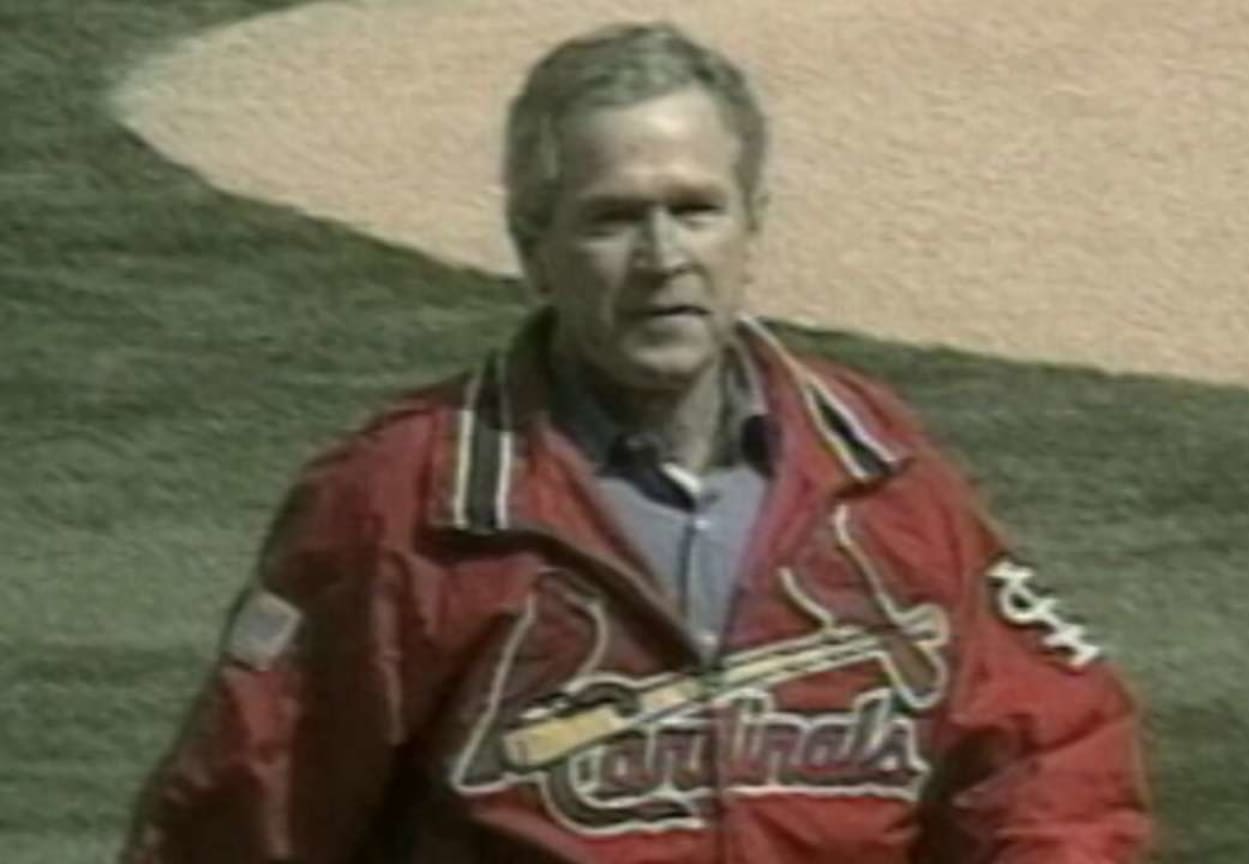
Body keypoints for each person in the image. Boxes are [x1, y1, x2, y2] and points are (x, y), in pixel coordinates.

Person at [122, 21, 1152, 863]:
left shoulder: (882, 479)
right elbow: (247, 815)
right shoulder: (408, 507)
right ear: (534, 248)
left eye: (695, 211)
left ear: (752, 224)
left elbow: (1051, 752)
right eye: (613, 220)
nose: (664, 259)